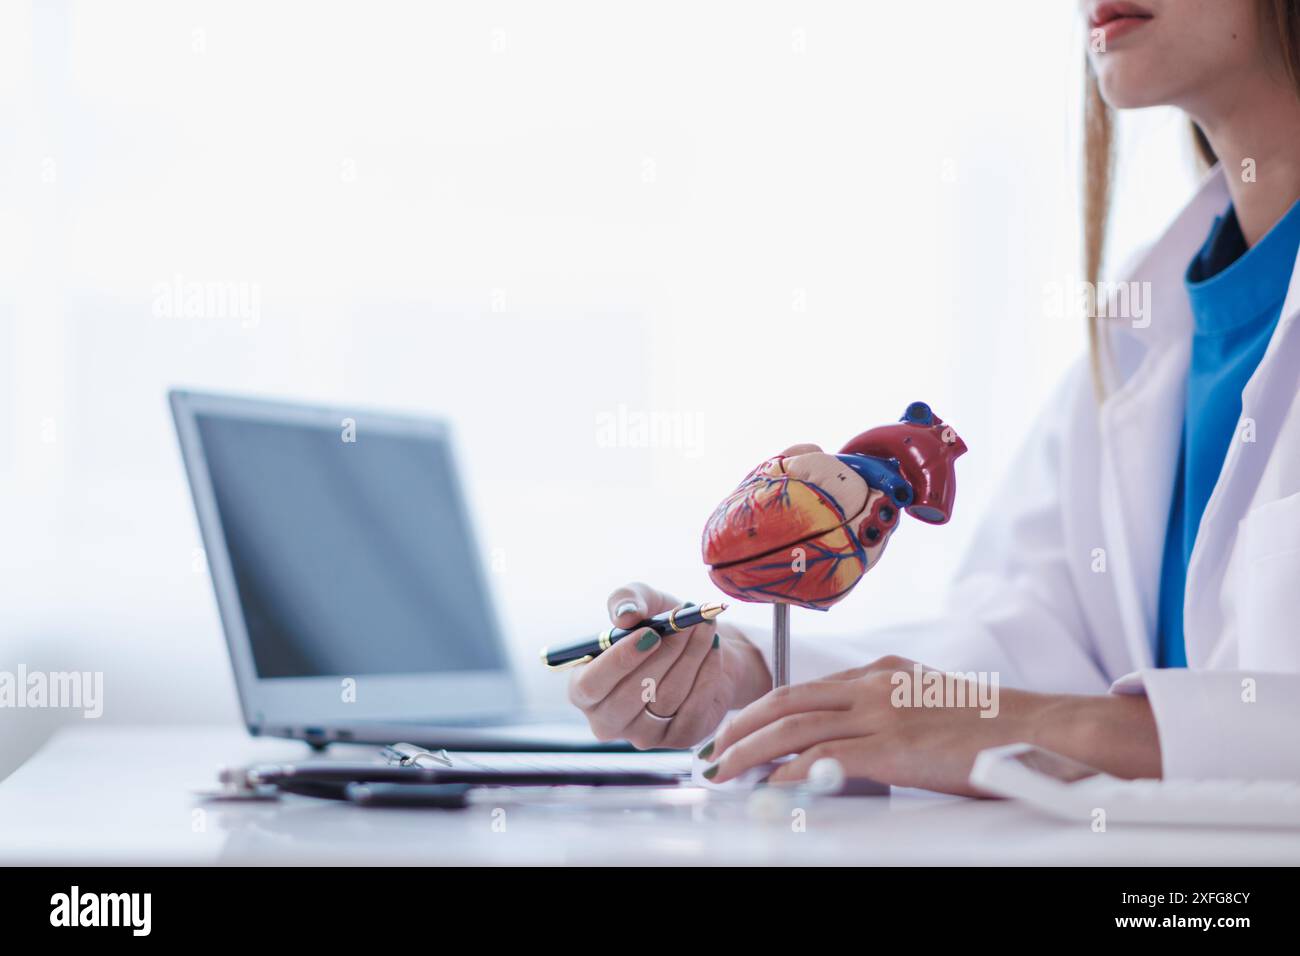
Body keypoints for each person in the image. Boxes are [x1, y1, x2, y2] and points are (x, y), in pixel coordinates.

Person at [567, 0, 1300, 795]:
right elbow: (1027, 640)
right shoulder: (1142, 334)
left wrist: (1047, 729)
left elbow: (1032, 711)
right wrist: (754, 679)